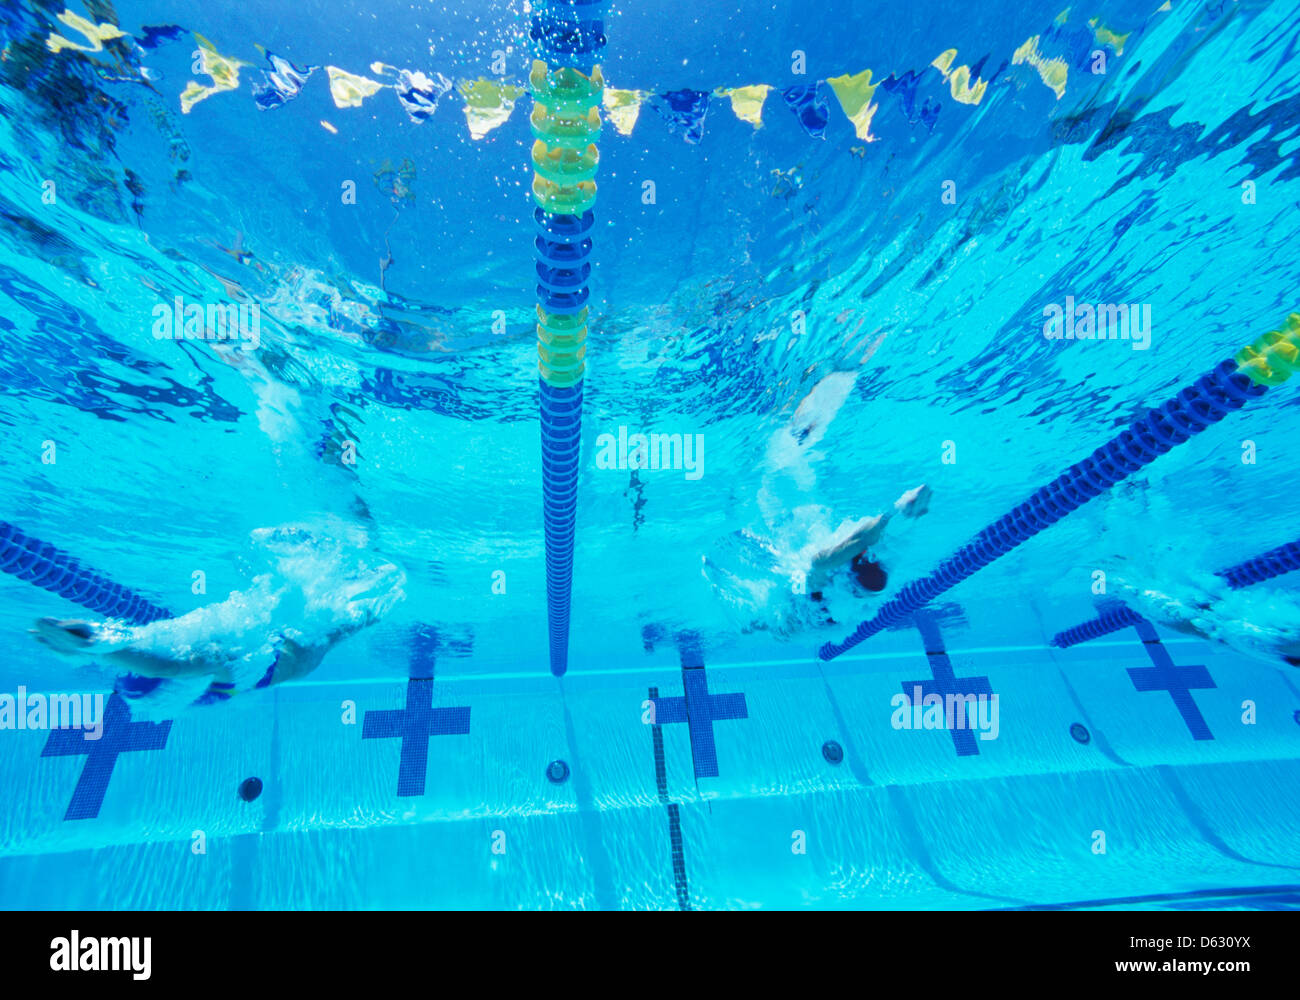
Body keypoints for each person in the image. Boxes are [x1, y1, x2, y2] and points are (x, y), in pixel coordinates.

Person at [30, 524, 405, 708]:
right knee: (345, 607)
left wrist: (93, 646)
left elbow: (163, 666)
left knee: (348, 615)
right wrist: (98, 644)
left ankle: (365, 569)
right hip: (282, 657)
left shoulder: (195, 681)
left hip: (281, 658)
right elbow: (167, 667)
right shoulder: (194, 670)